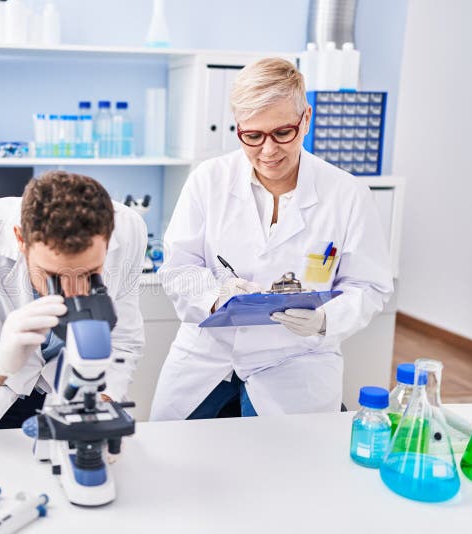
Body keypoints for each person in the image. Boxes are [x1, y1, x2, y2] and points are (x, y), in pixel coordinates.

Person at [150, 57, 393, 420]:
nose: (268, 150)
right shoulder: (208, 180)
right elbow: (179, 266)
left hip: (296, 356)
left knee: (287, 465)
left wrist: (324, 319)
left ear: (306, 118)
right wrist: (215, 299)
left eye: (283, 133)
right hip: (207, 354)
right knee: (169, 449)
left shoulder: (347, 193)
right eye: (253, 136)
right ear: (238, 129)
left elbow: (369, 286)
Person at [0, 171, 147, 432]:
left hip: (67, 397)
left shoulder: (129, 230)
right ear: (21, 240)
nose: (73, 292)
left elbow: (123, 342)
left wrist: (93, 409)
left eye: (90, 274)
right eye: (54, 276)